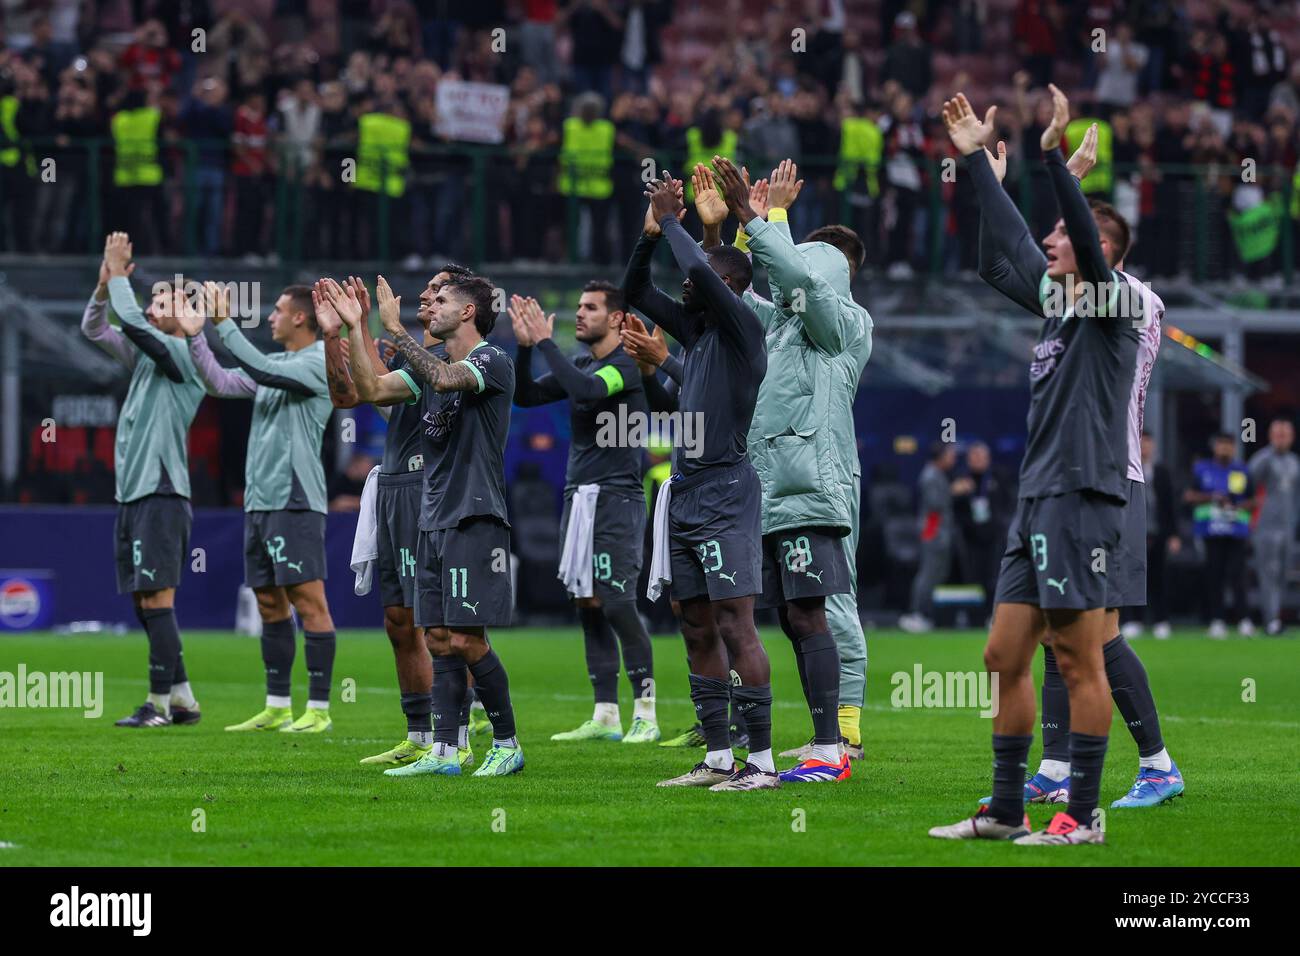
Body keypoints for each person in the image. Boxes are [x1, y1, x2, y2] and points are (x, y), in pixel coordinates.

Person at [931, 85, 1169, 846]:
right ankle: (1005, 811)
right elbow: (1009, 250)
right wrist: (973, 162)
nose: (1051, 240)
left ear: (1101, 253)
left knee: (1078, 653)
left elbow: (1080, 255)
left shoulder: (1114, 303)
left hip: (1085, 490)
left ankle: (1081, 816)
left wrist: (1054, 159)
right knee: (1003, 653)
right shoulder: (1063, 305)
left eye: (1063, 232)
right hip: (1037, 495)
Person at [712, 156, 873, 780]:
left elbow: (795, 282)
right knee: (788, 614)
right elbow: (735, 291)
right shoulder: (781, 325)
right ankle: (815, 736)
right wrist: (726, 228)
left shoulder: (845, 326)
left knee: (829, 605)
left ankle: (842, 732)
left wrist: (769, 218)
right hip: (769, 487)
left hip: (817, 482)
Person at [332, 273, 526, 779]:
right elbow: (373, 388)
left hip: (474, 512)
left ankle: (507, 742)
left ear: (467, 312)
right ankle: (444, 750)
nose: (430, 305)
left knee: (466, 640)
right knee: (437, 636)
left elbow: (446, 380)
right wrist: (356, 328)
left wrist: (394, 330)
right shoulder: (431, 366)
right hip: (433, 514)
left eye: (441, 300)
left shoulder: (491, 359)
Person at [622, 171, 773, 791]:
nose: (684, 285)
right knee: (694, 623)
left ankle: (760, 762)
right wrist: (651, 231)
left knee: (737, 622)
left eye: (696, 280)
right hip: (684, 492)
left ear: (729, 288)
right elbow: (635, 288)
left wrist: (679, 223)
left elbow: (704, 273)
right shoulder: (700, 334)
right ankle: (716, 755)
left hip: (727, 492)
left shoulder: (743, 333)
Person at [179, 282, 338, 733]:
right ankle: (277, 705)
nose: (271, 317)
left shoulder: (317, 363)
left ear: (301, 318)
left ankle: (321, 709)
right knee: (269, 603)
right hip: (261, 502)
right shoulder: (280, 363)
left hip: (295, 500)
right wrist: (197, 335)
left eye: (278, 309)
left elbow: (260, 368)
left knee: (309, 603)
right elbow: (223, 382)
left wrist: (224, 323)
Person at [510, 282, 659, 744]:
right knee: (587, 603)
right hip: (580, 499)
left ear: (616, 318)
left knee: (616, 601)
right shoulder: (582, 362)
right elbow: (526, 397)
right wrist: (522, 349)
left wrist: (543, 343)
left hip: (616, 500)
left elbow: (589, 392)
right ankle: (606, 713)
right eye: (577, 306)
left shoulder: (624, 368)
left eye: (590, 308)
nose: (579, 314)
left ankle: (648, 713)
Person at [83, 233, 206, 728]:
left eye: (164, 299)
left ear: (190, 315)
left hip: (162, 493)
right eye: (152, 297)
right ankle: (183, 699)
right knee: (143, 599)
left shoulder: (182, 357)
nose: (153, 305)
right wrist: (101, 288)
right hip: (134, 494)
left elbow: (128, 320)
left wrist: (117, 276)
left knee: (157, 598)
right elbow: (95, 328)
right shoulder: (147, 358)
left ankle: (155, 706)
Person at [1187, 433, 1255, 637]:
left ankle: (1243, 620)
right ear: (1215, 446)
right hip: (1211, 531)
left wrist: (1235, 504)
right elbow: (1189, 496)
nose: (1225, 449)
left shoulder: (1241, 471)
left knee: (1238, 576)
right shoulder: (1202, 469)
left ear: (1234, 448)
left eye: (1229, 445)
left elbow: (1253, 500)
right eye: (1221, 444)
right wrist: (1213, 498)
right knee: (1214, 576)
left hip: (1236, 531)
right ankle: (1217, 620)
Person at [1121, 433, 1179, 639]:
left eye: (1147, 443)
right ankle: (1132, 620)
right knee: (1133, 576)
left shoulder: (1162, 471)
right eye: (1140, 443)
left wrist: (1173, 534)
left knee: (1159, 578)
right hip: (1133, 533)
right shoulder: (1124, 470)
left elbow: (1170, 505)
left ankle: (1161, 620)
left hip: (1159, 533)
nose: (1144, 447)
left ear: (1152, 446)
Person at [899, 442, 958, 633]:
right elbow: (935, 504)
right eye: (950, 455)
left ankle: (927, 613)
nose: (953, 458)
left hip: (939, 529)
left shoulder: (938, 474)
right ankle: (917, 613)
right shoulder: (931, 475)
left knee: (936, 573)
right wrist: (954, 491)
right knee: (928, 573)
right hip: (933, 529)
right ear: (940, 456)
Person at [1248, 417, 1298, 636]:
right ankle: (1270, 620)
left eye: (1285, 435)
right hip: (1265, 527)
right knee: (1268, 573)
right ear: (1270, 436)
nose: (1281, 439)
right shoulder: (1261, 460)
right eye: (1278, 434)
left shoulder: (1295, 462)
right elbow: (1247, 488)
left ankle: (1277, 616)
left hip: (1288, 528)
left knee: (1283, 574)